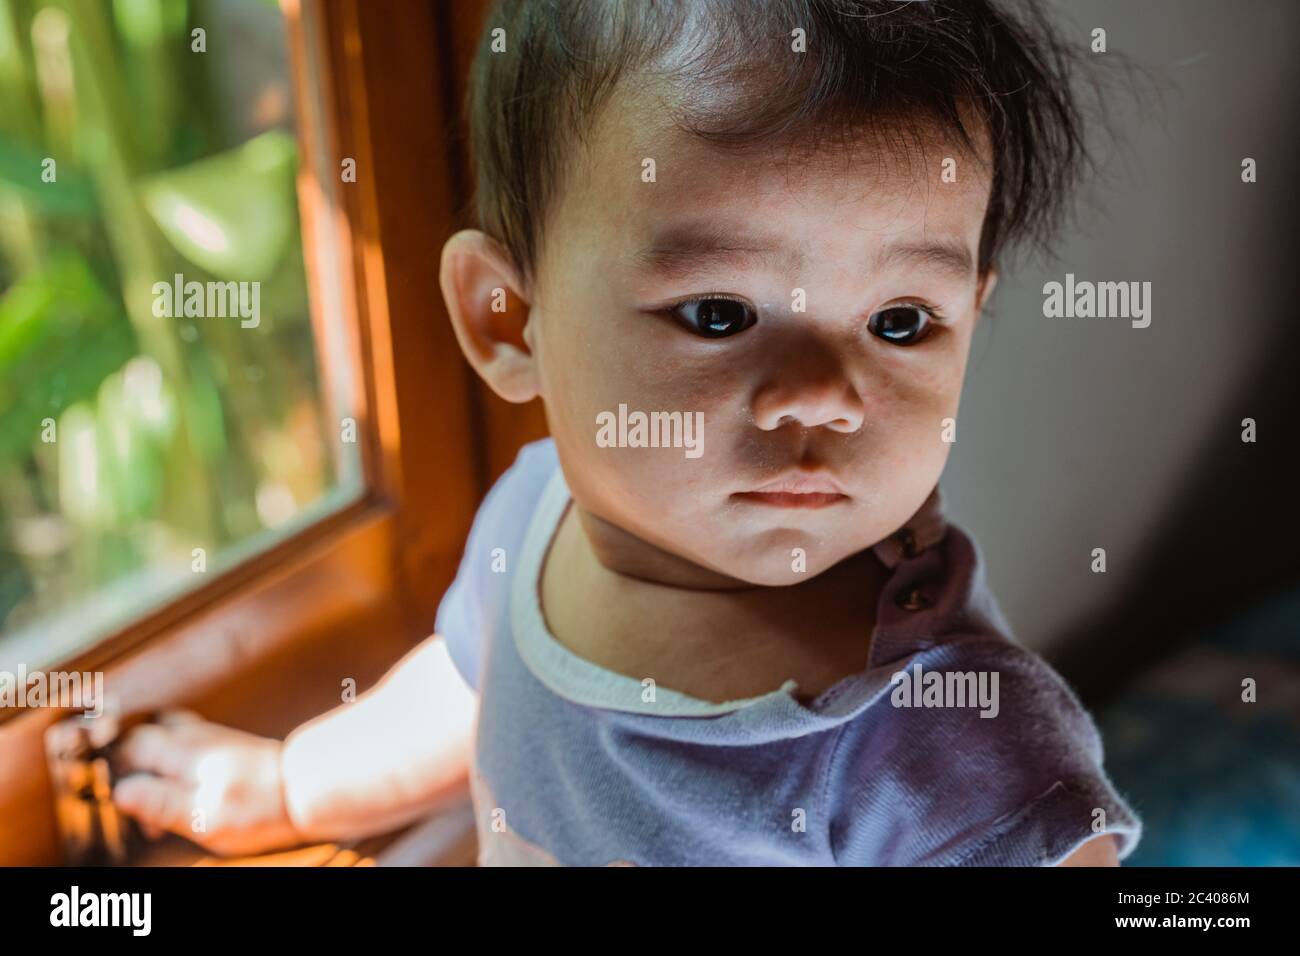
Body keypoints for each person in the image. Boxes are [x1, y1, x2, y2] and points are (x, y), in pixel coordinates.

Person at [114, 0, 1141, 866]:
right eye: (718, 314)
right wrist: (292, 785)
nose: (822, 394)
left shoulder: (949, 742)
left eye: (900, 321)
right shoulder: (538, 510)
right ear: (506, 320)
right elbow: (473, 680)